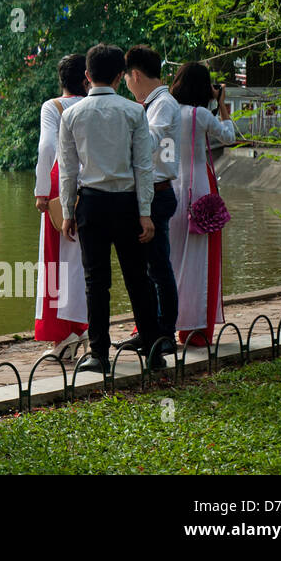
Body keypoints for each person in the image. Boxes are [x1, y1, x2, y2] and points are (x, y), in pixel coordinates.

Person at [57, 44, 169, 375]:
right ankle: (152, 350)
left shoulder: (71, 114)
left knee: (96, 281)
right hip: (127, 204)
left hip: (90, 203)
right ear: (120, 76)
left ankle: (99, 353)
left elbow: (68, 170)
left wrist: (66, 212)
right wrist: (145, 212)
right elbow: (143, 166)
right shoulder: (134, 112)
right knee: (138, 279)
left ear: (87, 76)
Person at [167, 63, 236, 347]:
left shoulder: (166, 111)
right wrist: (221, 104)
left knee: (168, 260)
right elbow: (229, 137)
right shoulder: (201, 115)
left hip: (170, 188)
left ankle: (164, 324)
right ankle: (194, 331)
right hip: (199, 191)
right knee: (199, 262)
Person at [121, 44, 180, 353]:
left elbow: (149, 140)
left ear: (136, 74)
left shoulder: (164, 104)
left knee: (158, 267)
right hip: (148, 192)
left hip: (157, 193)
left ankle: (165, 333)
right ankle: (148, 330)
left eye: (127, 80)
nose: (127, 86)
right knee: (145, 269)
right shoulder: (154, 104)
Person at [32, 54, 89, 360]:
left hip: (60, 185)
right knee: (84, 259)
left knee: (56, 262)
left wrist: (41, 192)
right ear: (86, 78)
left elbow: (46, 147)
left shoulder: (53, 107)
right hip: (93, 184)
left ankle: (64, 335)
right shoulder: (94, 105)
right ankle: (80, 328)